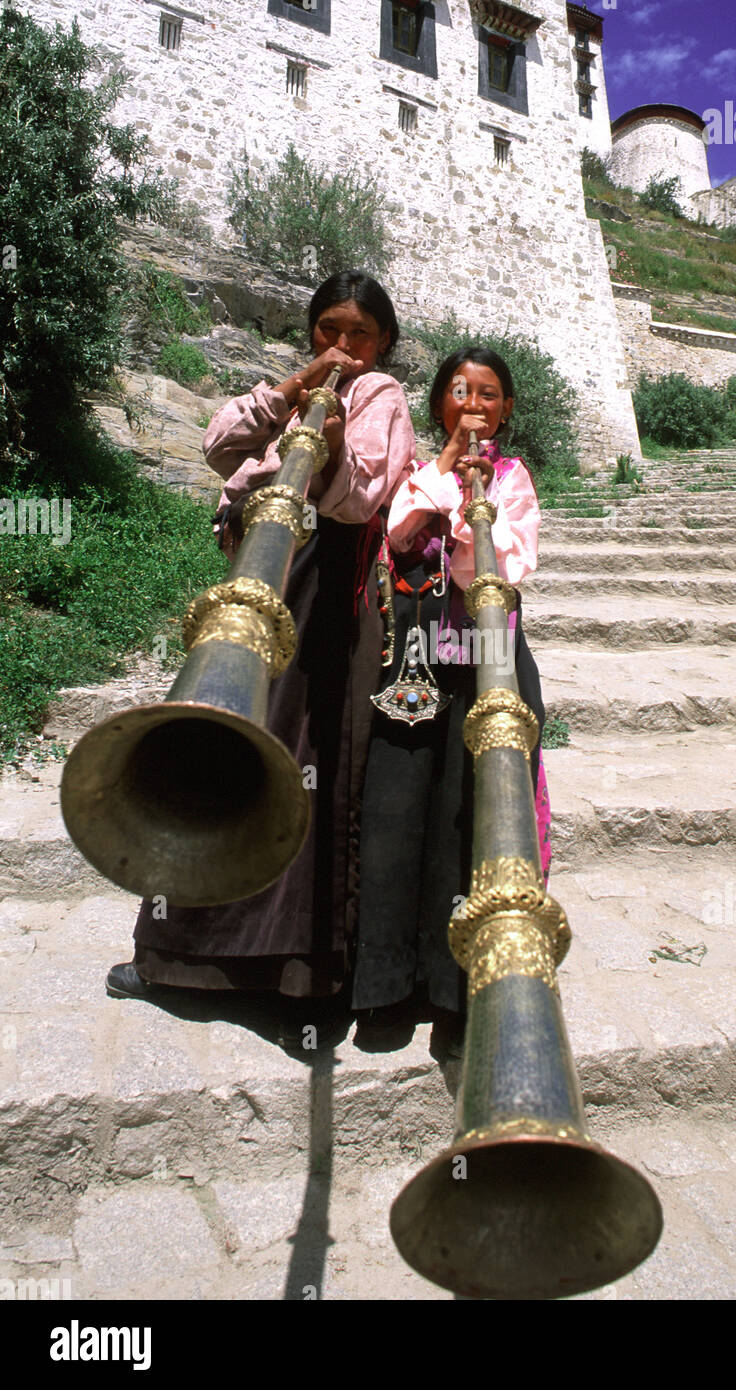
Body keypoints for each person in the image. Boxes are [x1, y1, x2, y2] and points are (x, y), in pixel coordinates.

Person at [105, 272, 416, 1046]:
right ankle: (182, 959)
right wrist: (289, 394)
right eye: (328, 331)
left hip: (321, 589)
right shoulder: (290, 387)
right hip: (256, 573)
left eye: (360, 336)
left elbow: (360, 496)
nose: (342, 348)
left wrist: (332, 437)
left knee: (309, 763)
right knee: (219, 745)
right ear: (311, 331)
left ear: (382, 345)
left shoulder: (381, 397)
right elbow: (218, 447)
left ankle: (303, 980)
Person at [351, 346, 552, 1056]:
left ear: (505, 408)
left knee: (472, 812)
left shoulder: (514, 480)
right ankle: (383, 987)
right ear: (440, 401)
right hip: (414, 656)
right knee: (396, 809)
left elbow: (504, 566)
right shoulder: (413, 472)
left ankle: (458, 990)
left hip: (486, 654)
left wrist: (468, 510)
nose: (475, 404)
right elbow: (401, 530)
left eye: (489, 394)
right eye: (461, 391)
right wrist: (443, 483)